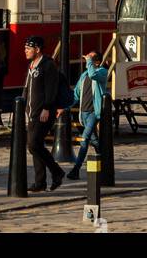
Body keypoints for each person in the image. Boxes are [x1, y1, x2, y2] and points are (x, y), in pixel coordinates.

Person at [24, 35, 64, 192]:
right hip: (31, 112)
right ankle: (40, 182)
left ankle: (57, 171)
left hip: (43, 112)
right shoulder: (31, 65)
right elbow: (27, 88)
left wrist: (47, 108)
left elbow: (51, 89)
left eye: (28, 48)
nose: (25, 51)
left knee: (34, 144)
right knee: (34, 146)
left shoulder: (48, 65)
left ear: (37, 49)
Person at [67, 50, 108, 181]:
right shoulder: (84, 75)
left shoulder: (101, 72)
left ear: (97, 61)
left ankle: (76, 170)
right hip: (83, 113)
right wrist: (65, 107)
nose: (87, 60)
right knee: (95, 141)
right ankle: (105, 163)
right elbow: (76, 94)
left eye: (90, 58)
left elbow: (93, 74)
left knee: (84, 139)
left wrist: (89, 62)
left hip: (93, 113)